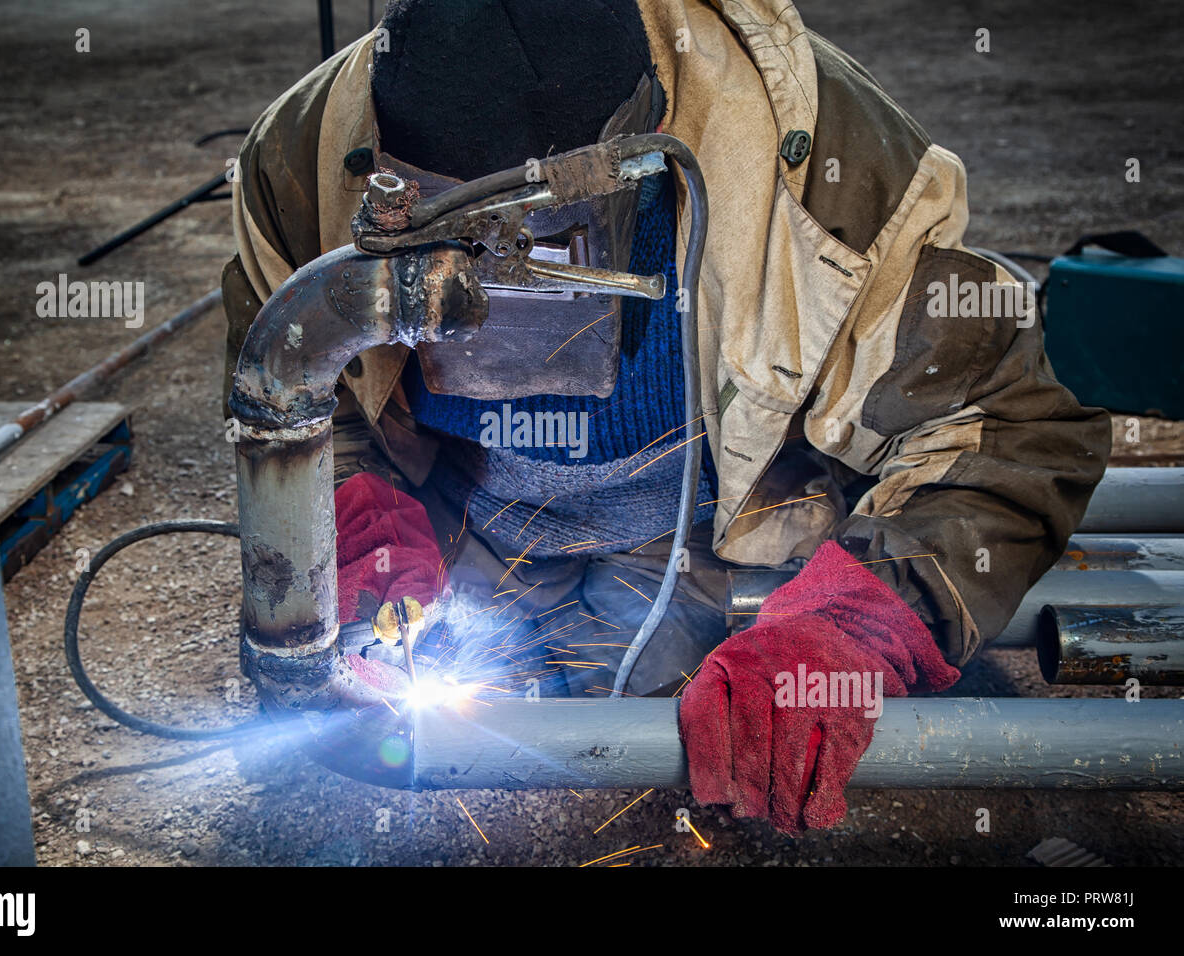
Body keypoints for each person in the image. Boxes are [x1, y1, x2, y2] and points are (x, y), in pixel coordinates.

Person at [221, 0, 1109, 834]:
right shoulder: (303, 153)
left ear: (632, 160)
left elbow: (1012, 426)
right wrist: (354, 520)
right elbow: (298, 394)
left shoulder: (829, 173)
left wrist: (853, 623)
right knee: (423, 714)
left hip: (706, 527)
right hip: (461, 513)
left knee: (693, 736)